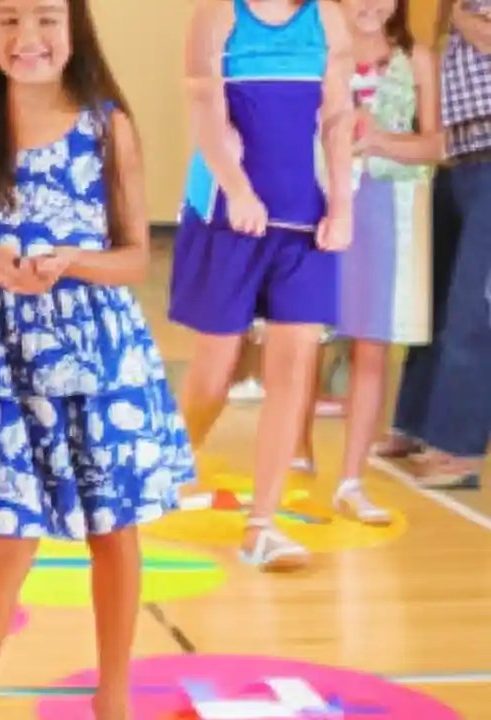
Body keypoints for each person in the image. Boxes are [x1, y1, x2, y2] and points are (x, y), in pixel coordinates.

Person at [0, 0, 195, 718]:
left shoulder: (110, 127)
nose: (28, 37)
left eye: (46, 18)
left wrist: (74, 261)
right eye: (9, 19)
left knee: (114, 531)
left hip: (99, 356)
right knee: (9, 537)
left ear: (74, 31)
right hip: (2, 364)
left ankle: (114, 698)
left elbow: (136, 258)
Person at [171, 0, 354, 571]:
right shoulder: (217, 16)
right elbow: (206, 112)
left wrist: (343, 205)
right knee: (215, 373)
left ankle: (262, 526)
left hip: (303, 224)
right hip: (227, 216)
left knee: (294, 366)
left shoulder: (328, 22)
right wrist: (238, 188)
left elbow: (337, 117)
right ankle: (170, 464)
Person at [319, 0, 444, 522]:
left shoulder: (415, 59)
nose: (370, 4)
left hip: (386, 213)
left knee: (373, 345)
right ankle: (293, 455)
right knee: (304, 338)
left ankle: (351, 479)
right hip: (319, 205)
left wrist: (378, 141)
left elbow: (436, 143)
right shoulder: (318, 54)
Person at [376, 0, 491, 489]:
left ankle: (458, 447)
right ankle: (416, 423)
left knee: (474, 302)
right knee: (434, 301)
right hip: (458, 158)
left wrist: (463, 13)